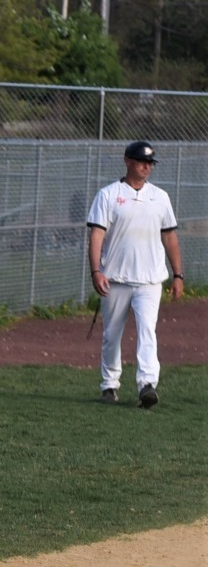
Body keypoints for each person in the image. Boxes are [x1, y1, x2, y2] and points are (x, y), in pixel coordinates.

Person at [88, 140, 184, 407]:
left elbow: (170, 237)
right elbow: (96, 234)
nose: (147, 167)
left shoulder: (160, 197)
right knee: (112, 334)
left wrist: (178, 275)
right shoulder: (108, 194)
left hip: (150, 280)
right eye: (142, 161)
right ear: (127, 161)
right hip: (115, 279)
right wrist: (96, 271)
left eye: (150, 163)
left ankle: (147, 385)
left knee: (147, 330)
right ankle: (109, 385)